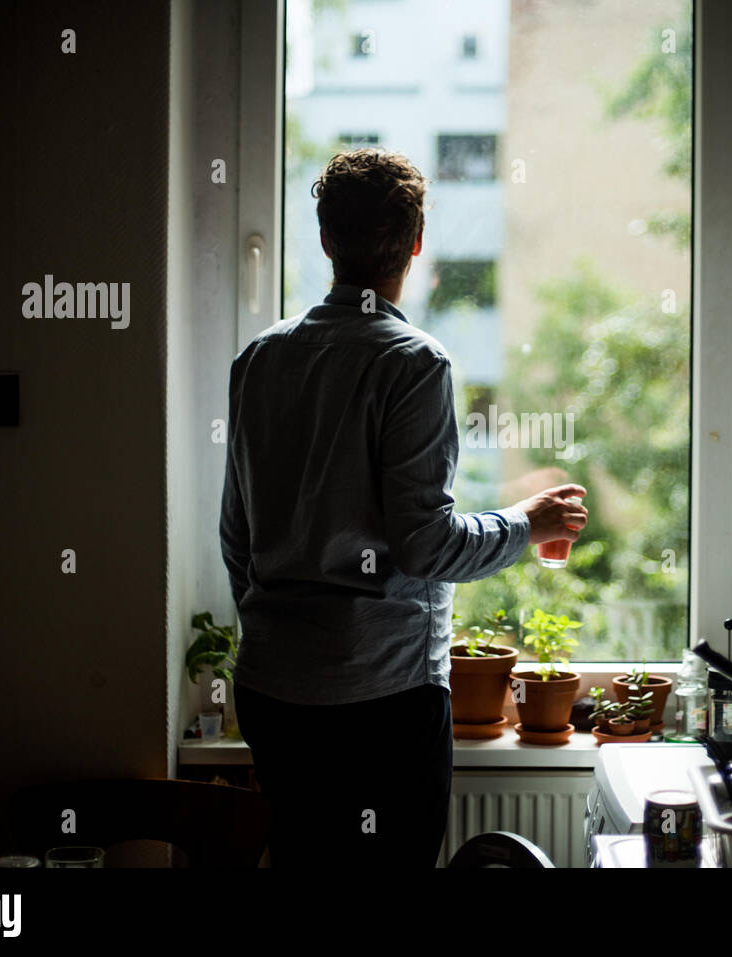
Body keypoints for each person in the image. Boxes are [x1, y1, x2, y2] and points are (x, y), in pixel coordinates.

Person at [219, 148, 588, 868]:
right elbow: (424, 545)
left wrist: (281, 630)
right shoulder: (413, 362)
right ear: (417, 243)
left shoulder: (260, 359)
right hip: (382, 703)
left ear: (325, 239)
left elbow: (238, 534)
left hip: (273, 691)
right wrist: (527, 524)